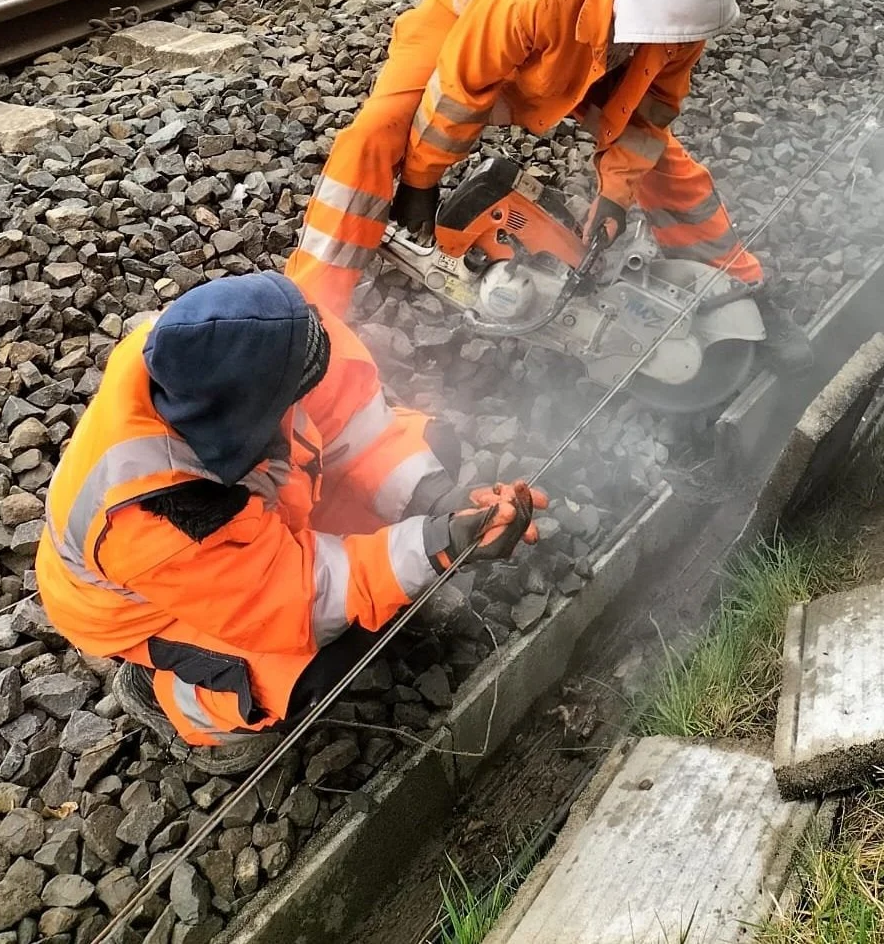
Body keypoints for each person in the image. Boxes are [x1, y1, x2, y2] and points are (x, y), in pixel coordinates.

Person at [36, 273, 547, 773]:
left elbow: (360, 429)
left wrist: (442, 502)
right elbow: (299, 599)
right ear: (239, 426)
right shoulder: (157, 514)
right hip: (152, 605)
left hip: (256, 527)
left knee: (435, 458)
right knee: (318, 661)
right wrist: (436, 545)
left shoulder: (278, 338)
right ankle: (172, 692)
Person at [286, 0, 811, 371]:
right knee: (375, 136)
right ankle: (308, 325)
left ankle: (739, 289)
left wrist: (614, 198)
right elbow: (460, 91)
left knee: (666, 167)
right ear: (629, 9)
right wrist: (421, 181)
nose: (679, 48)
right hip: (476, 15)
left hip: (580, 36)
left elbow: (647, 121)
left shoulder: (677, 22)